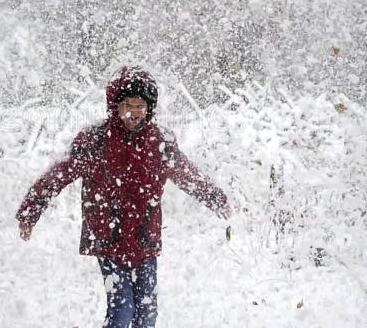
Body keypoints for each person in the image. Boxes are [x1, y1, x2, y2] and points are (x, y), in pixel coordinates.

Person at [16, 66, 232, 328]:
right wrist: (31, 210)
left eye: (140, 105)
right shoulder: (94, 141)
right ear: (115, 105)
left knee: (147, 316)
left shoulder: (160, 142)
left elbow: (187, 174)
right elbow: (59, 173)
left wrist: (214, 197)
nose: (134, 112)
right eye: (128, 104)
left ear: (149, 108)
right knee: (122, 313)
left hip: (145, 240)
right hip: (109, 239)